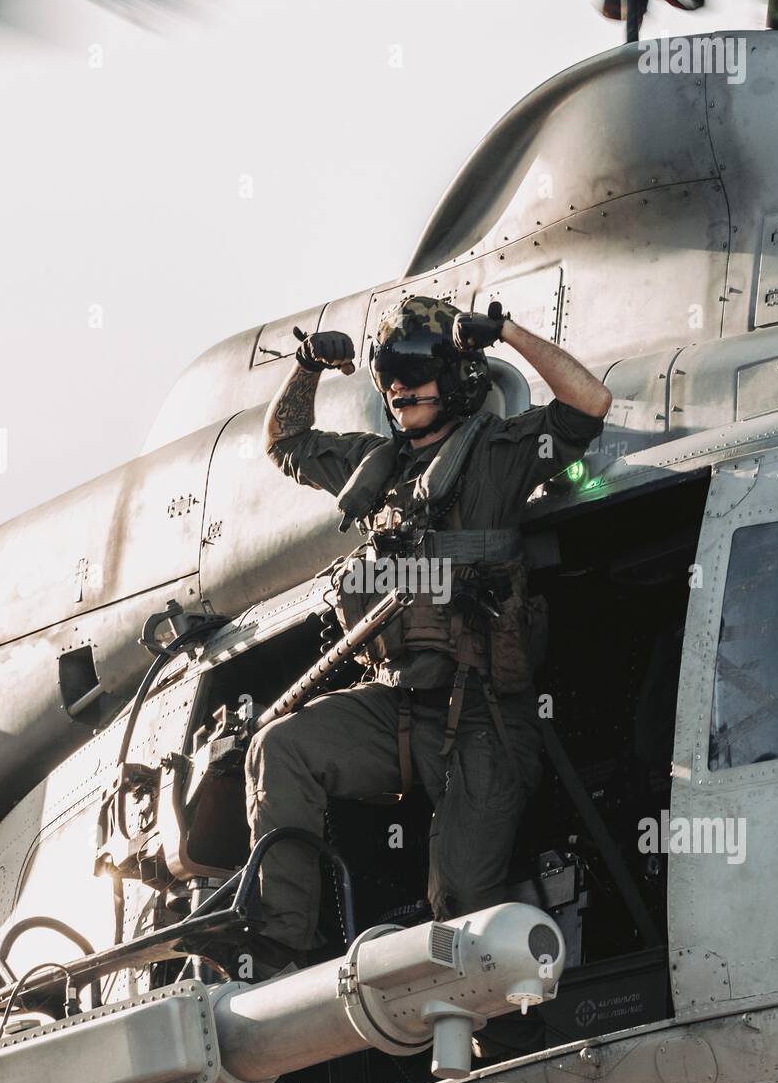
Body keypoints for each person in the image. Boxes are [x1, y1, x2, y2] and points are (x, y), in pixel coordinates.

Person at [242, 295, 611, 980]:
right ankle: (276, 946)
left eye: (415, 366)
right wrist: (306, 367)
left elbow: (586, 404)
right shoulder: (370, 469)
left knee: (462, 899)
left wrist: (504, 333)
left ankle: (499, 1028)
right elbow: (286, 444)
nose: (398, 385)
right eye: (388, 369)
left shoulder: (498, 456)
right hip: (397, 706)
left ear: (457, 377)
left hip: (484, 717)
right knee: (280, 747)